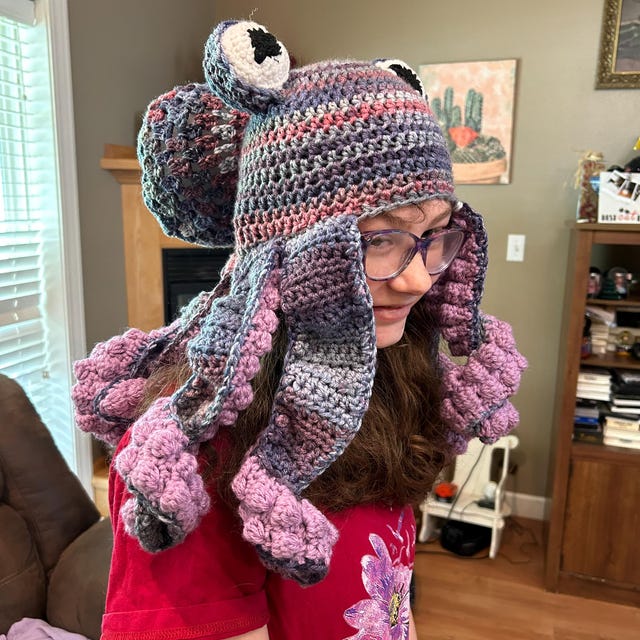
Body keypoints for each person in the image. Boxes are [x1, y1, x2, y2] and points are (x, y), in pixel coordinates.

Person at [72, 19, 527, 640]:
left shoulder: (390, 379)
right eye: (381, 239)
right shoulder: (195, 466)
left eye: (433, 235)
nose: (420, 280)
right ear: (280, 254)